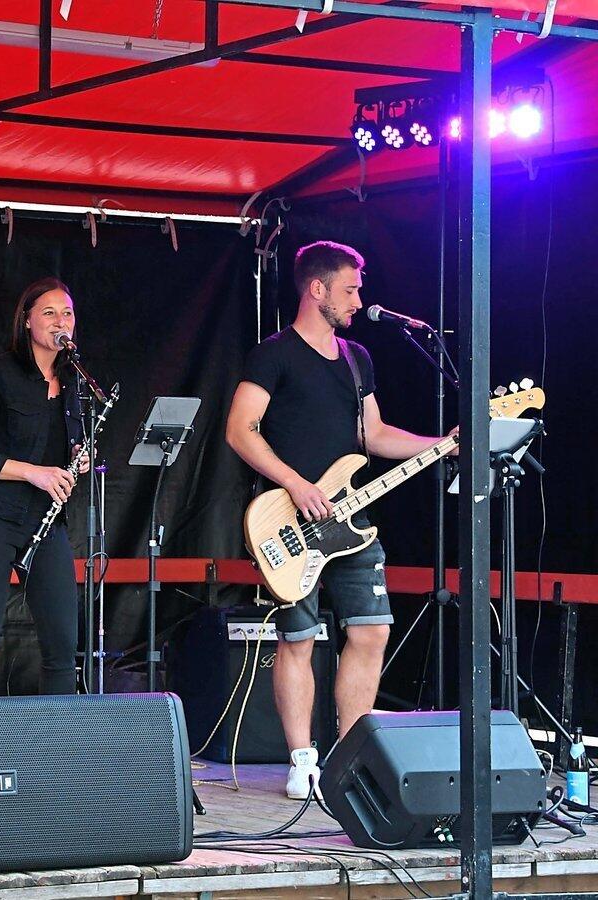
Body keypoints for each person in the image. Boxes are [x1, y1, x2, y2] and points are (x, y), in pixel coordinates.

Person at [225, 240, 452, 800]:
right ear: (317, 289)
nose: (359, 299)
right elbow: (239, 429)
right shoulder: (273, 354)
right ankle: (302, 760)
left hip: (351, 521)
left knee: (372, 630)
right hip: (288, 520)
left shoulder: (356, 360)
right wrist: (295, 485)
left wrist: (442, 444)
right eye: (350, 288)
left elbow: (371, 436)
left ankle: (349, 757)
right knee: (298, 638)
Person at [0, 277, 89, 698]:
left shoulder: (74, 382)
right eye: (48, 313)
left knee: (64, 647)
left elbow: (66, 449)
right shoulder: (0, 374)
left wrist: (76, 461)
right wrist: (32, 471)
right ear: (27, 321)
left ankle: (56, 754)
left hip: (45, 523)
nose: (60, 321)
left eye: (67, 313)